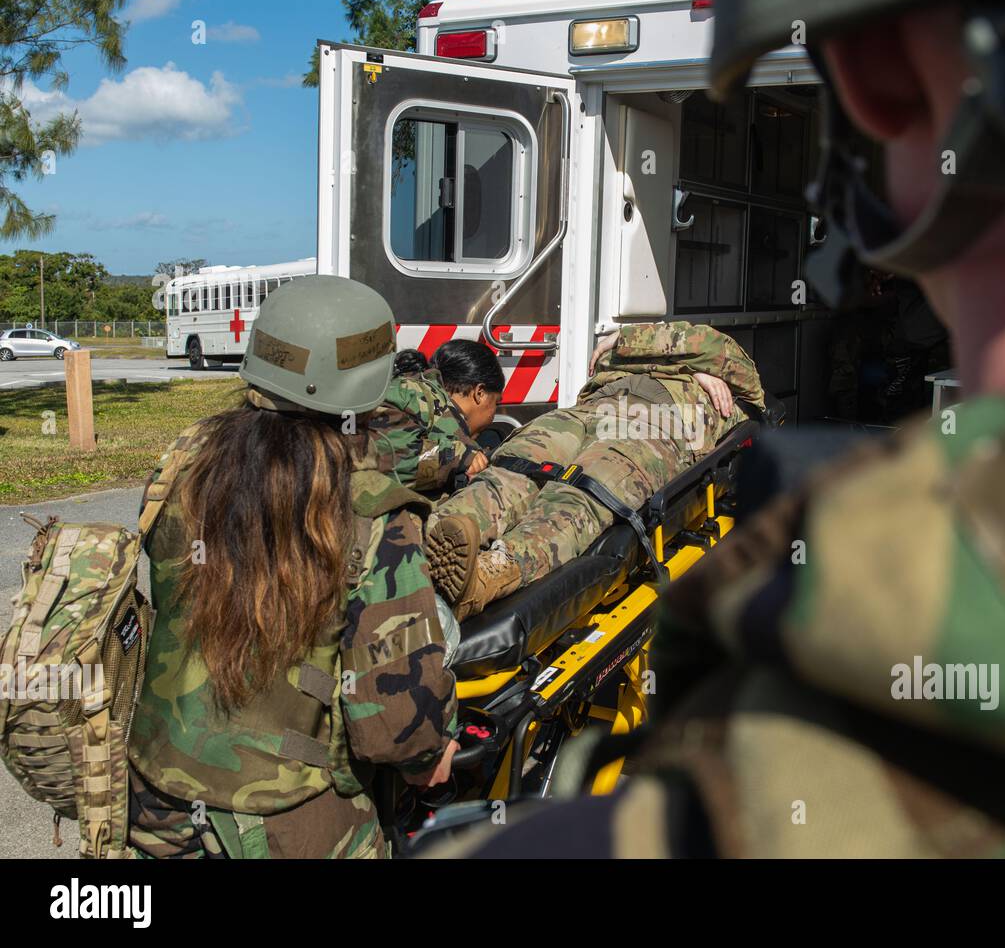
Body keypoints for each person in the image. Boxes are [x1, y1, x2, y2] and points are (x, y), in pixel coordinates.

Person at [426, 0, 1005, 857]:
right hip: (642, 423)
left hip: (622, 416)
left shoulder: (650, 834)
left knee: (551, 469)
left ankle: (485, 546)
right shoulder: (725, 387)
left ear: (879, 76)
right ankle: (488, 551)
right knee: (578, 481)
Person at [127, 275, 459, 859]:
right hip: (286, 824)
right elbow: (393, 718)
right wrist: (430, 756)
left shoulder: (185, 460)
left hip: (151, 796)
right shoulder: (372, 510)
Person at [424, 320, 765, 619]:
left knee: (580, 496)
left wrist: (623, 339)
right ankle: (424, 545)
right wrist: (687, 367)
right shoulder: (646, 362)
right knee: (512, 470)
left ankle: (489, 574)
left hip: (656, 421)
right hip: (586, 411)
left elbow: (710, 345)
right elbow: (625, 355)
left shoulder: (736, 380)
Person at [369, 339, 504, 493]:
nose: (493, 415)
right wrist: (460, 458)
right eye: (496, 403)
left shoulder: (432, 406)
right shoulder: (409, 395)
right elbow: (392, 458)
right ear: (480, 393)